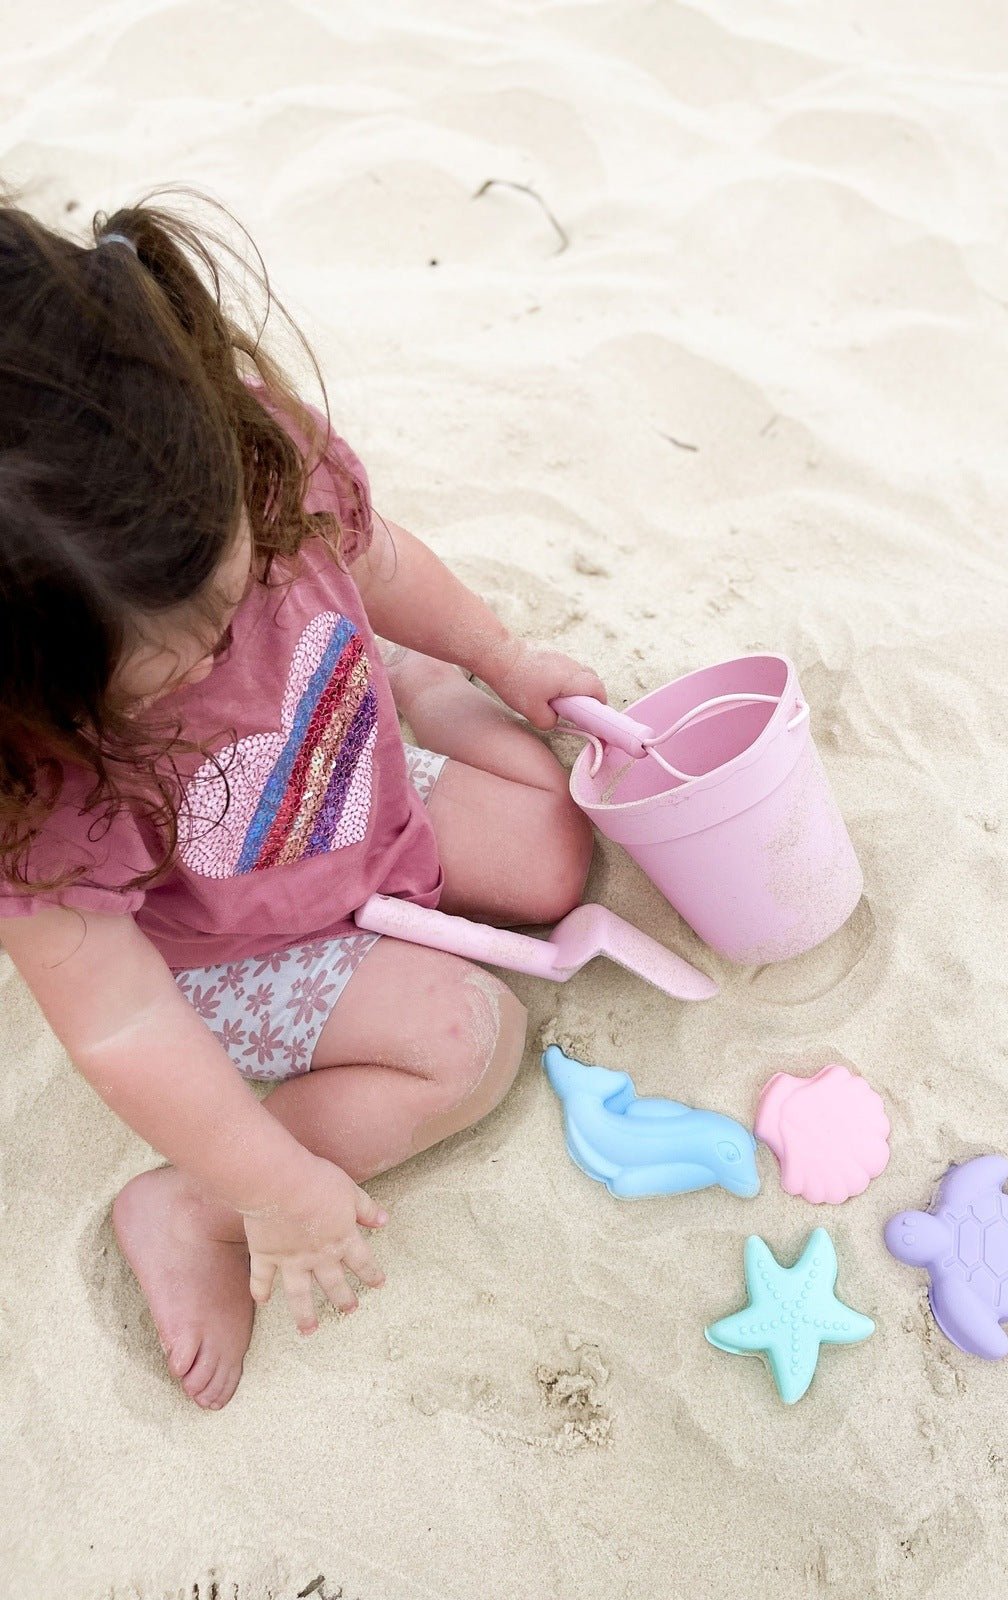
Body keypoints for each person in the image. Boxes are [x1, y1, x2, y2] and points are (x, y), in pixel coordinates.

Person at [0, 193, 603, 1410]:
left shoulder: (243, 454)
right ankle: (186, 1212)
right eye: (180, 662)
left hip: (354, 794)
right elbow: (118, 1024)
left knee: (552, 843)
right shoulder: (41, 797)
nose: (236, 642)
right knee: (468, 1043)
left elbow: (374, 559)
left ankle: (415, 689)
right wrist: (269, 1182)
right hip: (237, 948)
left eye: (239, 585)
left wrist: (497, 657)